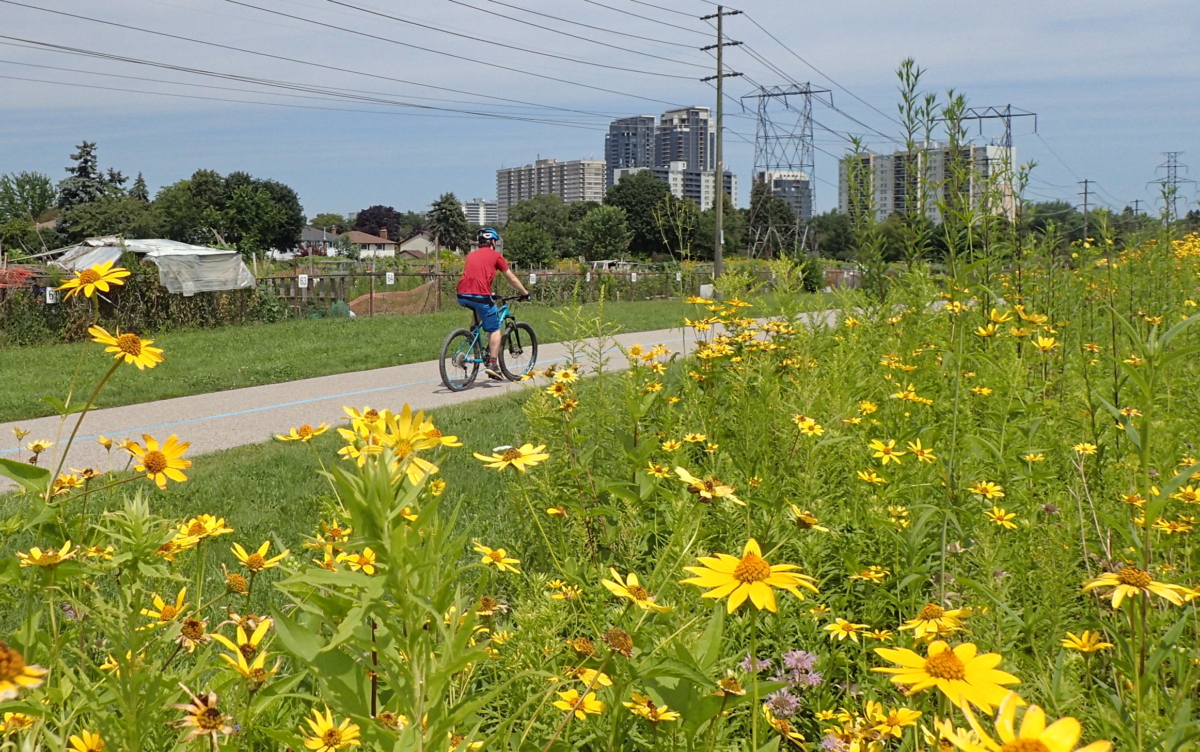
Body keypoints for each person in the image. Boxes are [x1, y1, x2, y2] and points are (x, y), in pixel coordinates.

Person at [456, 228, 530, 379]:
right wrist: (525, 293)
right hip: (480, 295)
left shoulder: (471, 255)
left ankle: (473, 340)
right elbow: (512, 279)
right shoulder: (497, 256)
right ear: (494, 242)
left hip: (462, 294)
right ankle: (494, 365)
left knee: (478, 312)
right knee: (495, 328)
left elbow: (476, 276)